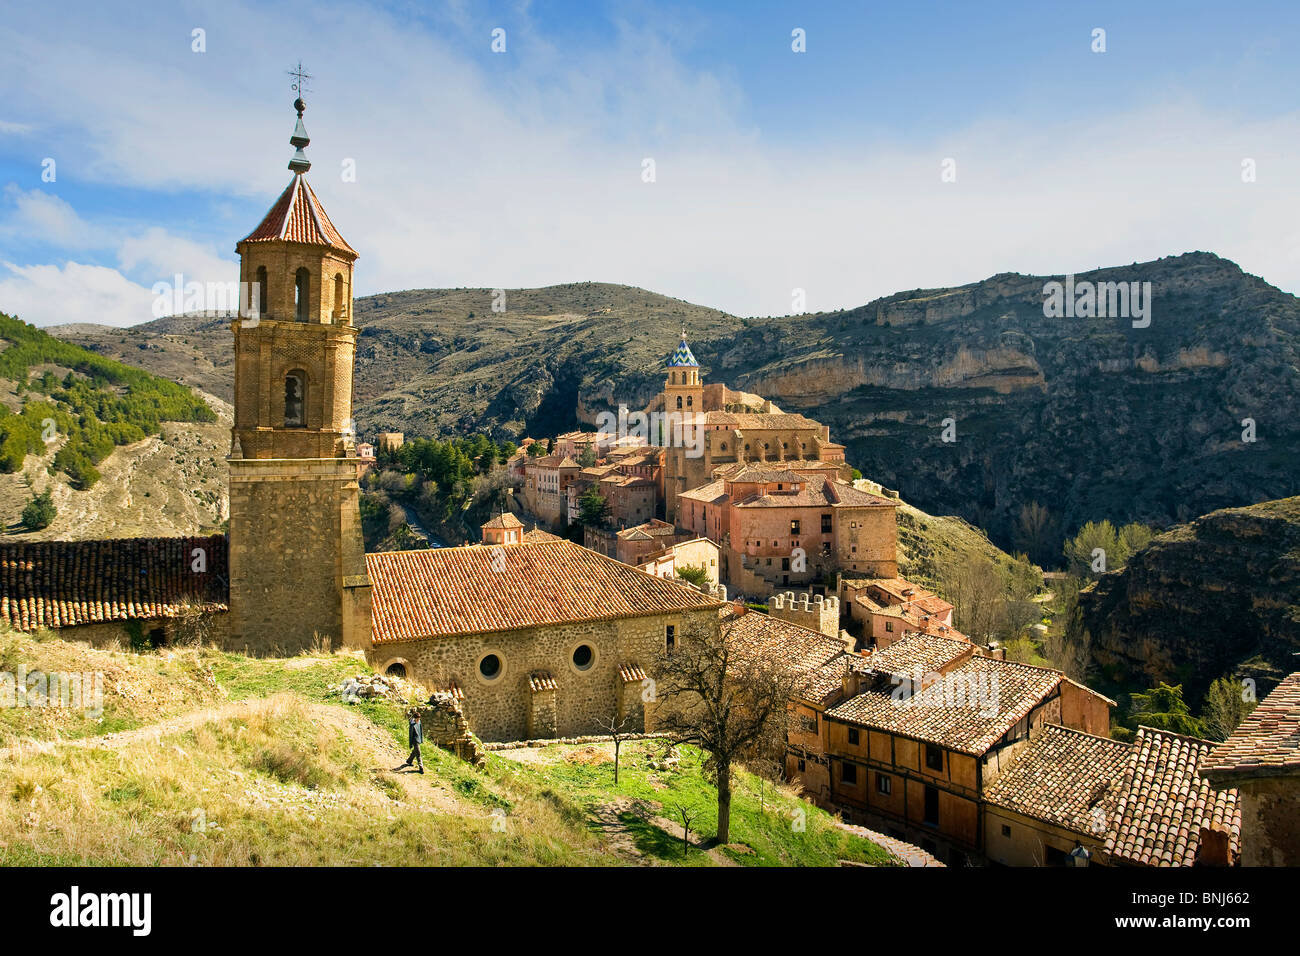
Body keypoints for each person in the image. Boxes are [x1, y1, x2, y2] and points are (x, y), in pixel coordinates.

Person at [405, 708, 424, 773]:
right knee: (418, 753)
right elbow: (410, 735)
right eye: (417, 719)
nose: (418, 720)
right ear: (414, 718)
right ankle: (421, 768)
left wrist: (421, 739)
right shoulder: (412, 725)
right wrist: (410, 744)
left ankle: (409, 761)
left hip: (418, 739)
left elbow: (421, 730)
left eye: (419, 719)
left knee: (415, 752)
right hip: (415, 741)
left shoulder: (419, 722)